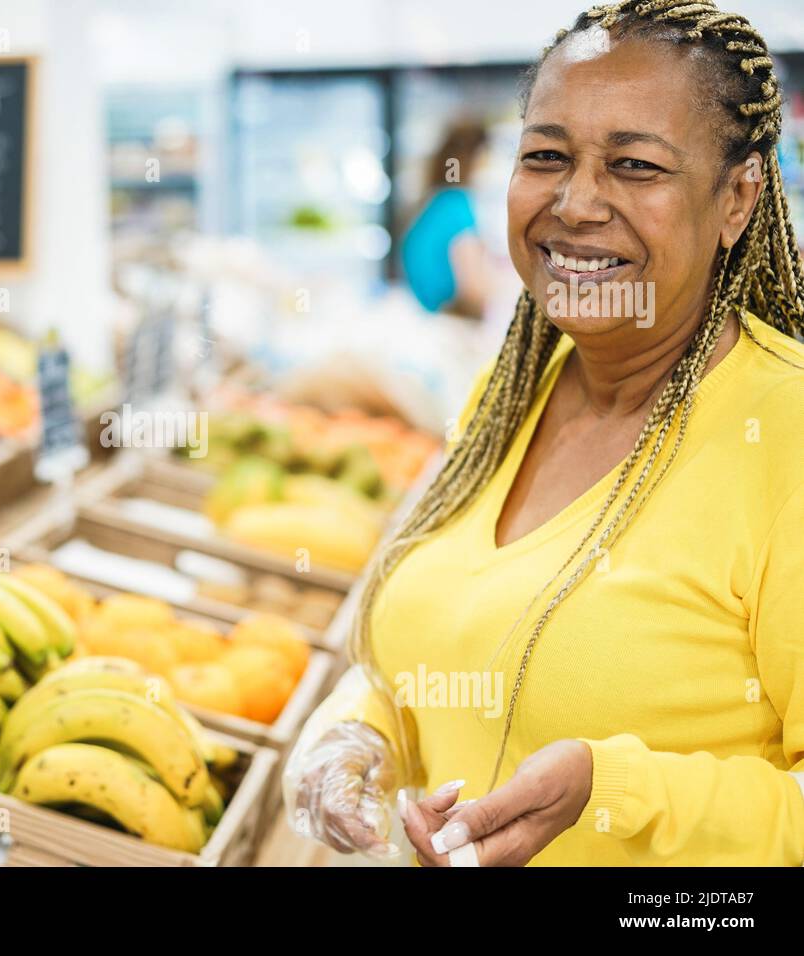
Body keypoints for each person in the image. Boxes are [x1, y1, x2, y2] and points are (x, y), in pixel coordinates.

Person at [286, 0, 804, 867]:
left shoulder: (784, 434)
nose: (575, 202)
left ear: (738, 197)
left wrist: (616, 790)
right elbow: (441, 642)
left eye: (635, 165)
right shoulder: (516, 387)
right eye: (546, 157)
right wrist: (358, 738)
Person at [400, 120, 495, 319]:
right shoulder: (457, 205)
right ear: (476, 157)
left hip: (427, 321)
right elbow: (473, 289)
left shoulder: (433, 202)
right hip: (452, 324)